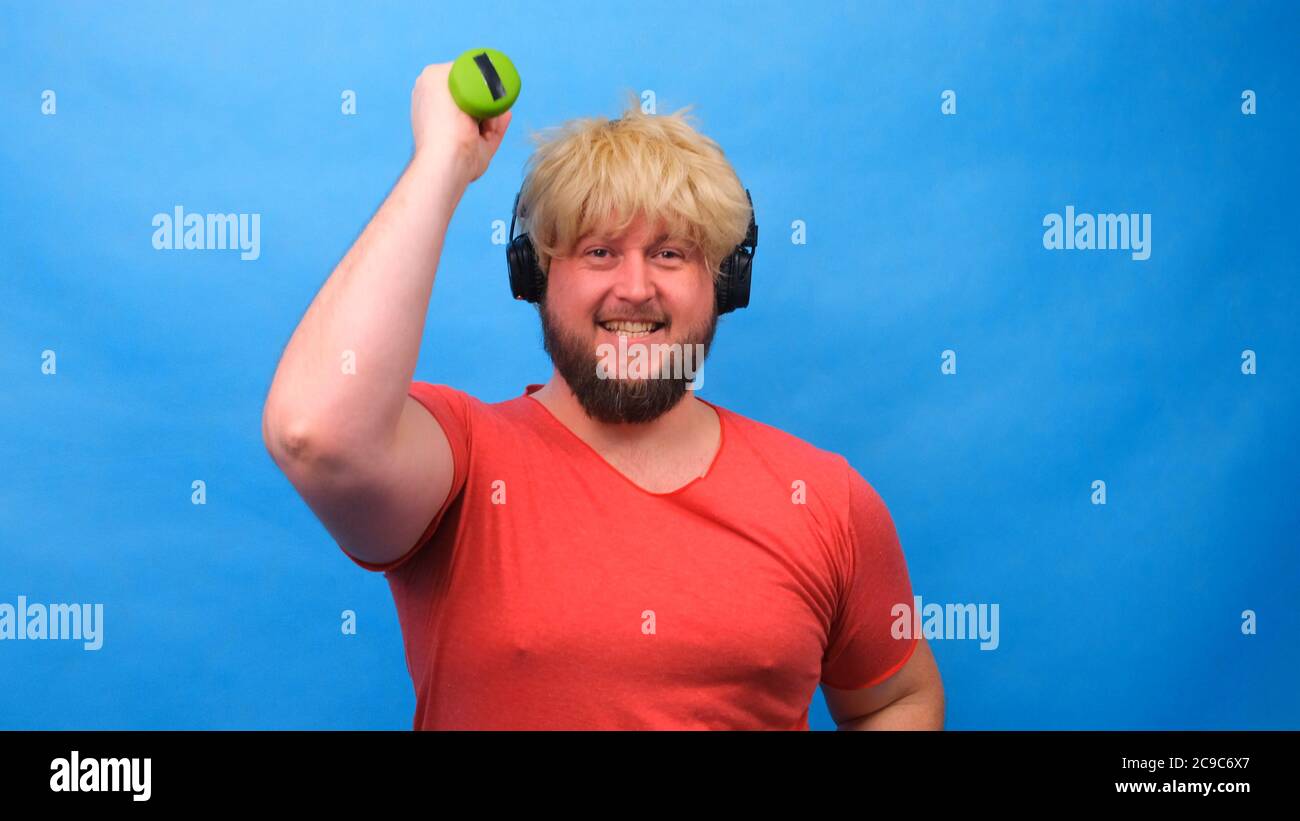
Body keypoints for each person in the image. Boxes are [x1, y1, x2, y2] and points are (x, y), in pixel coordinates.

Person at [262, 62, 945, 730]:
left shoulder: (824, 497)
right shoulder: (463, 465)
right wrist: (444, 159)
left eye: (672, 253)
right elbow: (314, 433)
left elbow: (895, 698)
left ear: (725, 284)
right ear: (534, 277)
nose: (636, 286)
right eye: (598, 252)